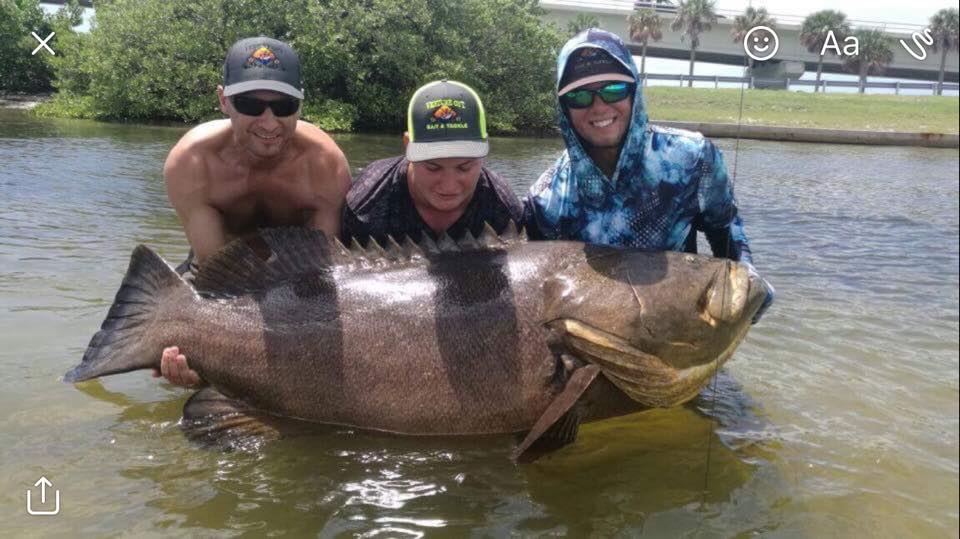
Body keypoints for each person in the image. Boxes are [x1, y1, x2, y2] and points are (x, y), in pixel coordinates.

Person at [523, 28, 773, 321]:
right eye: (579, 96)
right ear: (563, 107)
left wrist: (748, 282)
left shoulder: (692, 158)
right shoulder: (545, 198)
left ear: (634, 90)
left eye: (614, 89)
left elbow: (726, 230)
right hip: (594, 347)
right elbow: (541, 292)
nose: (599, 106)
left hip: (677, 331)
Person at [157, 37, 352, 387]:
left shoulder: (324, 164)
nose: (268, 121)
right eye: (250, 104)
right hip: (221, 269)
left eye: (284, 105)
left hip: (300, 276)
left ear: (300, 104)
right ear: (223, 100)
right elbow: (217, 273)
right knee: (172, 361)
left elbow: (323, 271)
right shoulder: (191, 163)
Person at [342, 79, 522, 246]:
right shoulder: (366, 205)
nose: (449, 185)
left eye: (464, 167)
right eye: (433, 167)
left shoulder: (504, 210)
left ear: (484, 150)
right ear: (407, 145)